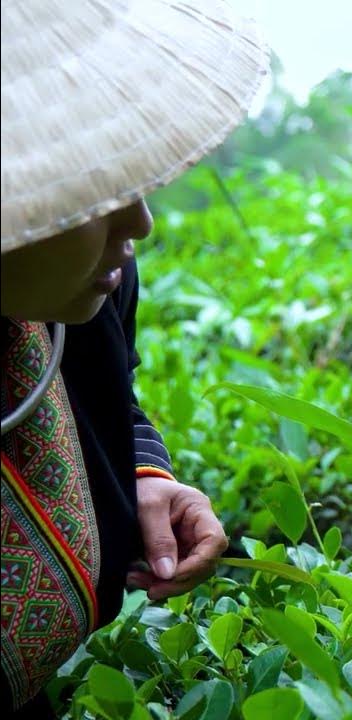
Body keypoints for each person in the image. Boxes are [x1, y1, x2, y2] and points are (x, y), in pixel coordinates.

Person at [0, 0, 269, 712]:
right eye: (84, 192)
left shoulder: (85, 290)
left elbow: (112, 397)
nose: (138, 223)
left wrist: (139, 472)